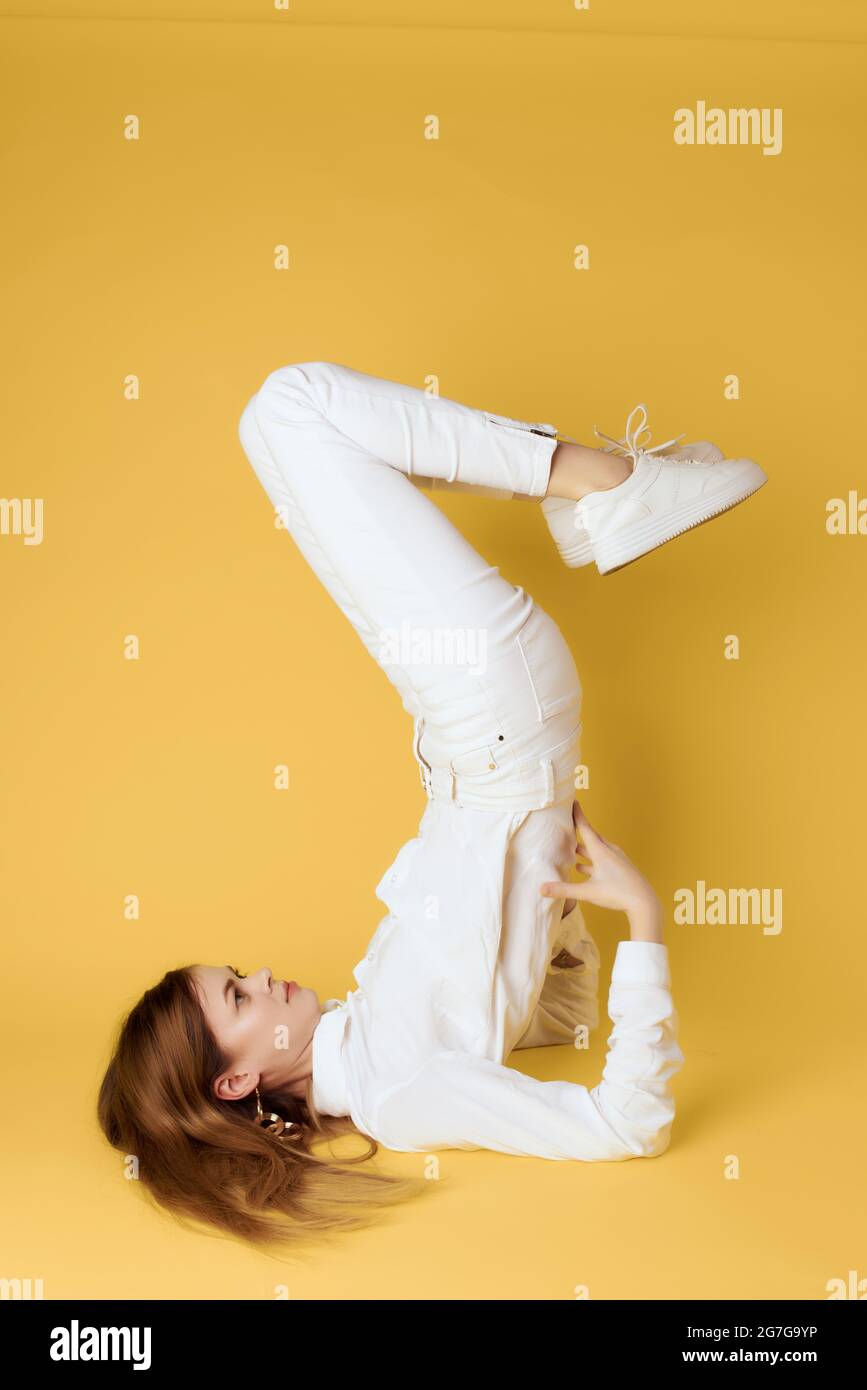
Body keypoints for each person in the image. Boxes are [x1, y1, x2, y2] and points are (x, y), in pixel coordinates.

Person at [97, 361, 767, 1250]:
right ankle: (605, 484)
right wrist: (641, 918)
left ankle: (592, 495)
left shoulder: (362, 1040)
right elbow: (624, 1125)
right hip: (495, 720)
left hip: (467, 735)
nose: (261, 975)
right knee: (293, 404)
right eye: (238, 996)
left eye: (239, 975)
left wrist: (556, 907)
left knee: (275, 430)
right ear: (235, 1082)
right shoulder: (401, 1092)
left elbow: (554, 1020)